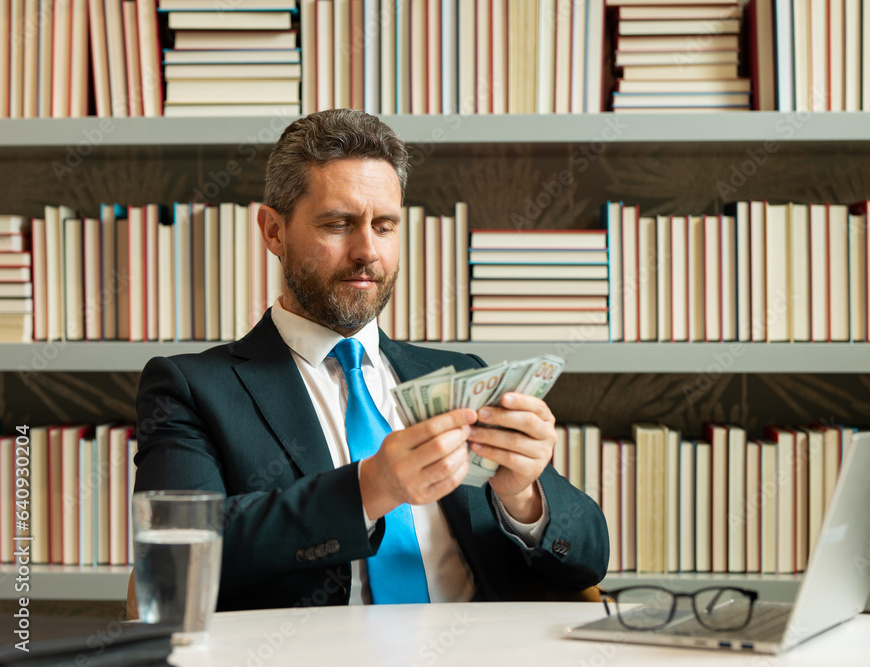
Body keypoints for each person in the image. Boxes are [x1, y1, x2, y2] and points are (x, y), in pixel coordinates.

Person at [134, 109, 610, 611]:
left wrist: (524, 498)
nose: (367, 251)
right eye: (338, 224)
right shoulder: (191, 388)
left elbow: (589, 560)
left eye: (384, 226)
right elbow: (177, 556)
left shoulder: (460, 374)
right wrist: (368, 489)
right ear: (273, 231)